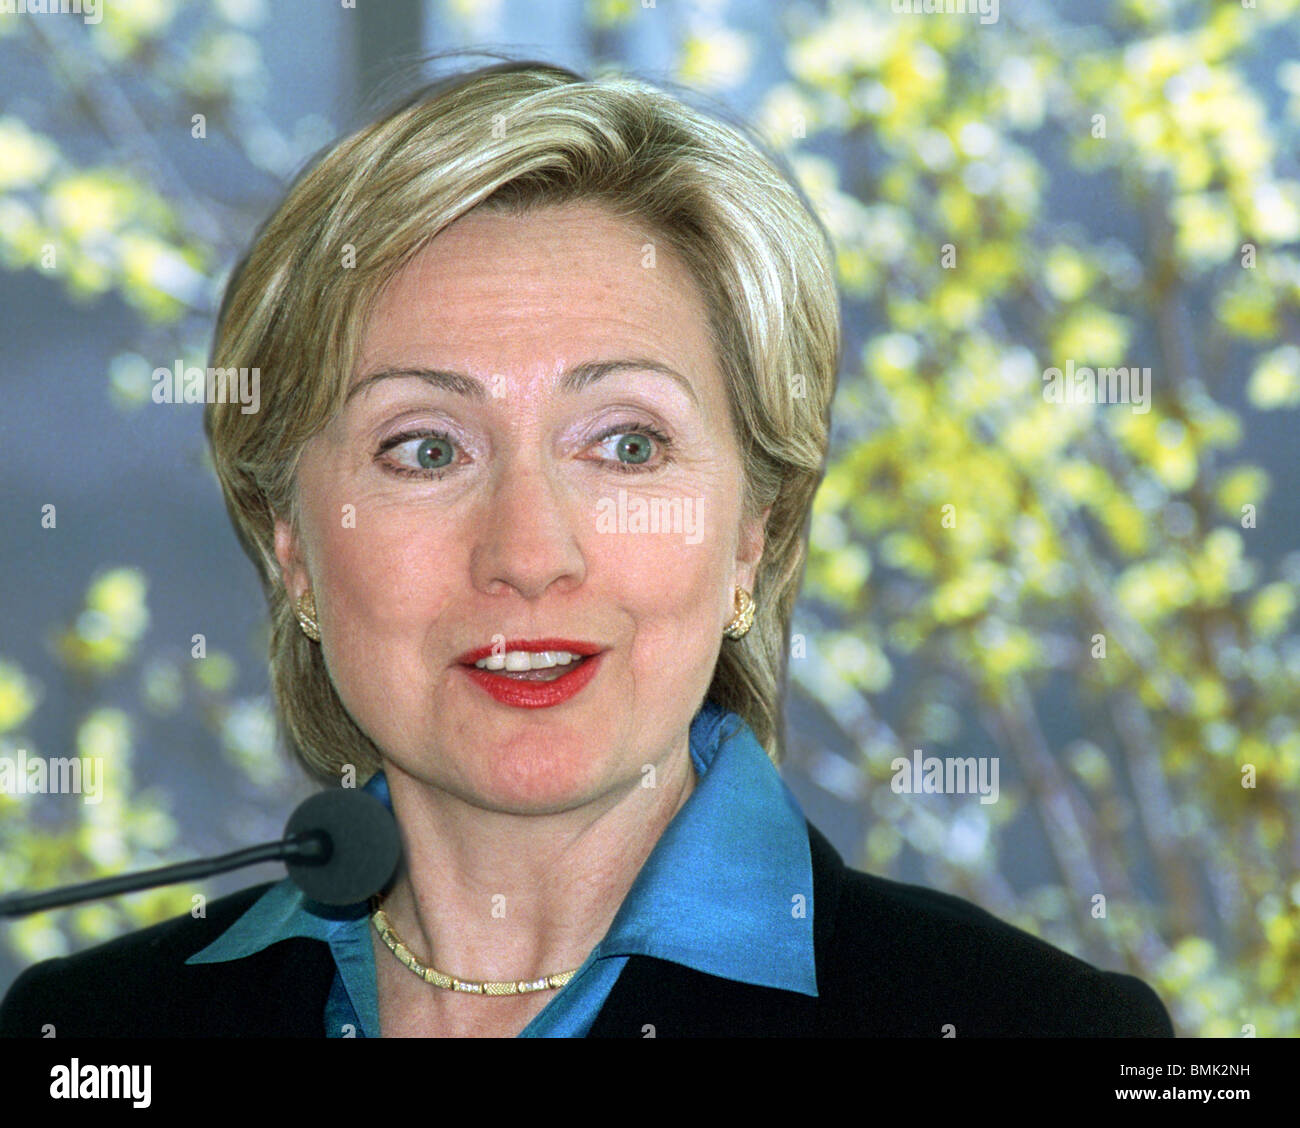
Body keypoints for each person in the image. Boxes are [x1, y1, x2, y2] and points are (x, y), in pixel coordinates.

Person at [0, 57, 1172, 1038]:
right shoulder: (87, 1031)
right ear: (291, 546)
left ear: (751, 537)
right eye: (424, 450)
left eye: (625, 446)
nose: (528, 553)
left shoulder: (1031, 1030)